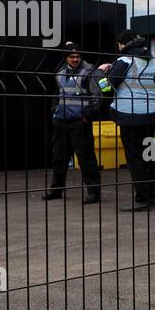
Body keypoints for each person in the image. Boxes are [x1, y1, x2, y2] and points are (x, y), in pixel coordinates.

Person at [99, 32, 155, 212]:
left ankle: (141, 199)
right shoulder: (154, 62)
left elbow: (107, 86)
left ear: (122, 44)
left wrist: (101, 74)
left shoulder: (124, 61)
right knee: (148, 158)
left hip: (130, 117)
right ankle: (153, 197)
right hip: (150, 117)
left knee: (135, 159)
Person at [42, 42, 102, 204]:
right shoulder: (60, 73)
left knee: (86, 158)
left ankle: (94, 192)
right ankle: (56, 190)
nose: (75, 59)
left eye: (77, 56)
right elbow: (56, 95)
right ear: (66, 58)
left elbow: (97, 97)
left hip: (79, 123)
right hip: (61, 122)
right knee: (59, 158)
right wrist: (55, 113)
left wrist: (86, 118)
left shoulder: (89, 72)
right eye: (71, 56)